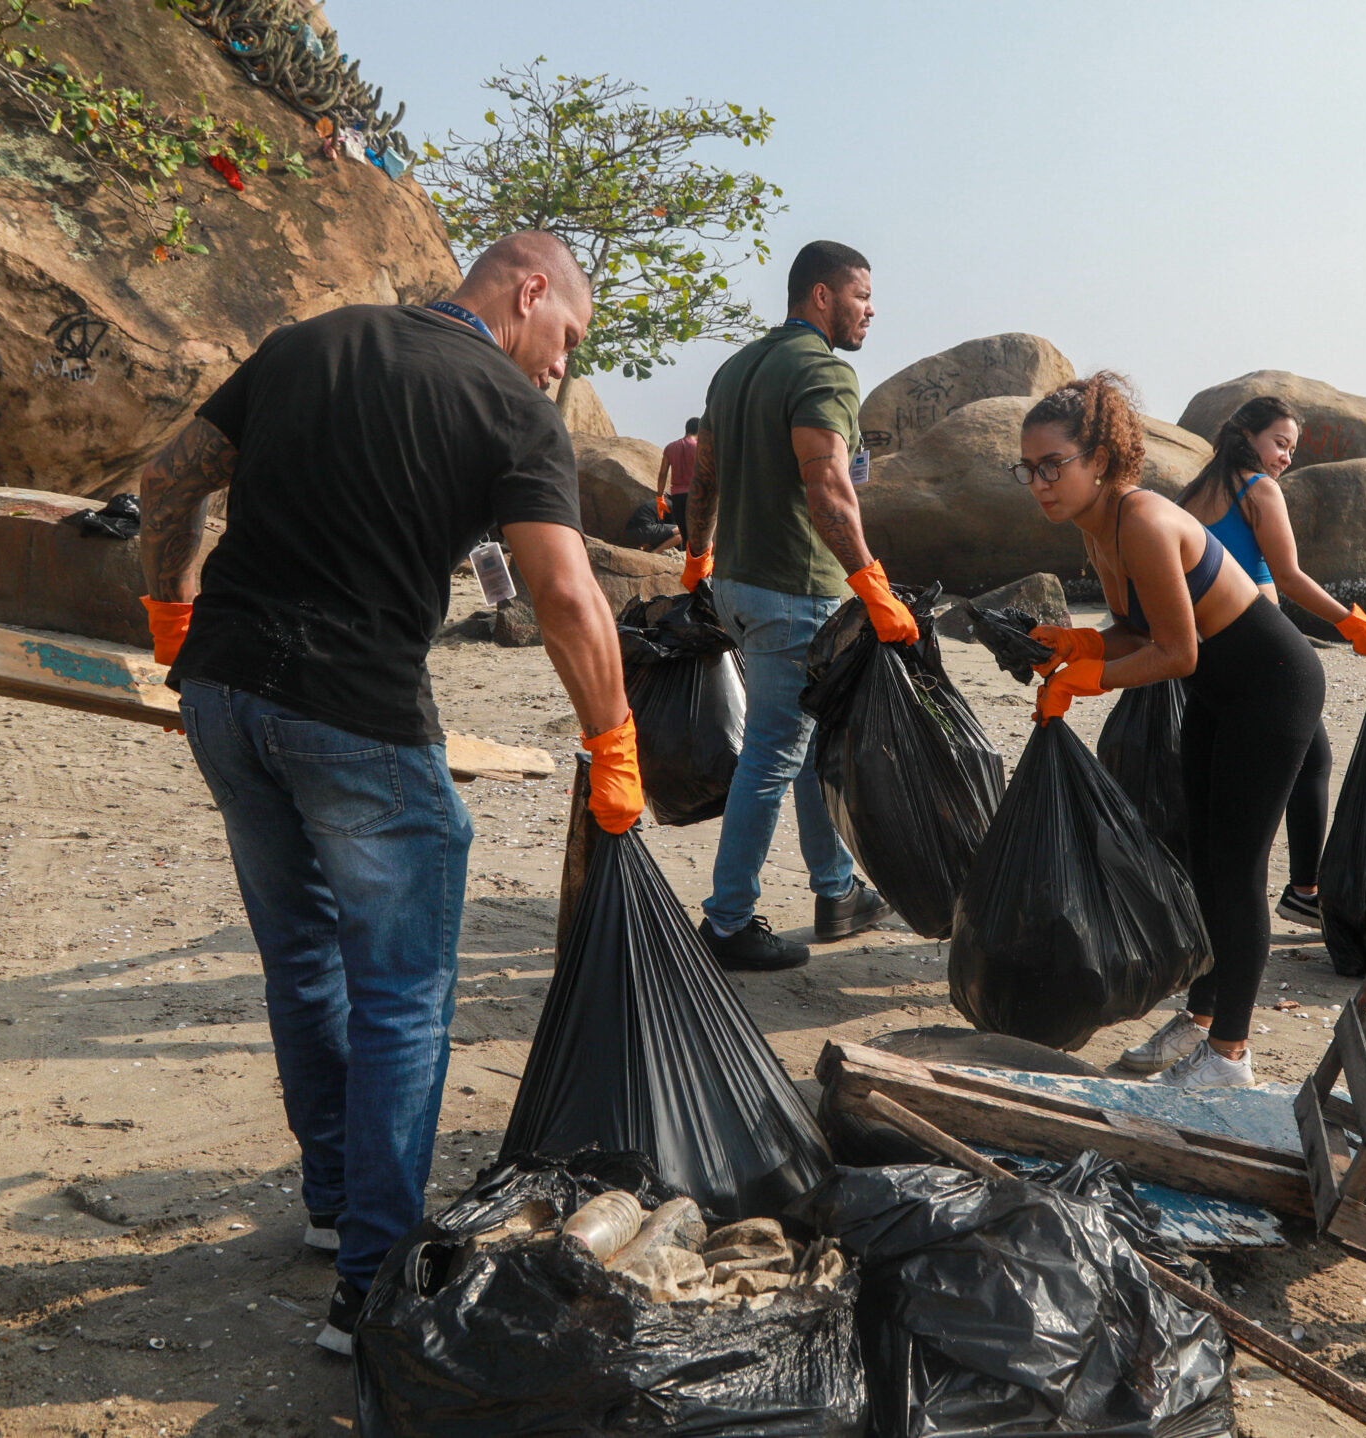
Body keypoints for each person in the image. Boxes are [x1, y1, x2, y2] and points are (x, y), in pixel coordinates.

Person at [135, 231, 642, 1355]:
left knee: (302, 954)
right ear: (527, 293)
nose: (561, 367)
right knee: (402, 991)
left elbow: (164, 479)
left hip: (222, 693)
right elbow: (563, 591)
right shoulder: (513, 415)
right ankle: (368, 1286)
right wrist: (613, 737)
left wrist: (170, 612)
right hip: (353, 716)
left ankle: (330, 1205)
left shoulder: (306, 343)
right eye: (567, 338)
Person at [1016, 373, 1327, 1089]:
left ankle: (1229, 1057)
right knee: (1202, 860)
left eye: (1051, 465)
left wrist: (1085, 679)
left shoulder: (1144, 520)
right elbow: (1138, 629)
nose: (1038, 483)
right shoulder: (1098, 530)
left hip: (1273, 687)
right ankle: (1205, 1014)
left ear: (1098, 459)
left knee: (1238, 870)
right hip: (1218, 696)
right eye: (1028, 468)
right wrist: (1080, 645)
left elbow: (1176, 652)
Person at [677, 240, 899, 971]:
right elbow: (830, 486)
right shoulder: (823, 369)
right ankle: (728, 924)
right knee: (773, 754)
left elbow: (703, 477)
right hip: (795, 592)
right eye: (862, 294)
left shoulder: (736, 369)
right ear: (822, 296)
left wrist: (699, 557)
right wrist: (870, 582)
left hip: (739, 586)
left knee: (803, 742)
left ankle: (837, 891)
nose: (872, 309)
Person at [1167, 395, 1366, 949]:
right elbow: (1289, 578)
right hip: (1262, 658)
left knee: (1236, 785)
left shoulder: (1190, 496)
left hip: (1209, 657)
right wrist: (1351, 622)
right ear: (1245, 434)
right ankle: (1301, 889)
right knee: (1311, 761)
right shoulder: (1257, 490)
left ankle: (1259, 894)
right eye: (1280, 443)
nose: (1286, 458)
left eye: (1292, 448)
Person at [656, 416, 700, 536]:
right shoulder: (699, 447)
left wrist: (660, 497)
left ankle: (687, 554)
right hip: (695, 495)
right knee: (697, 535)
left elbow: (662, 474)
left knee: (684, 534)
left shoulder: (670, 447)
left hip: (677, 496)